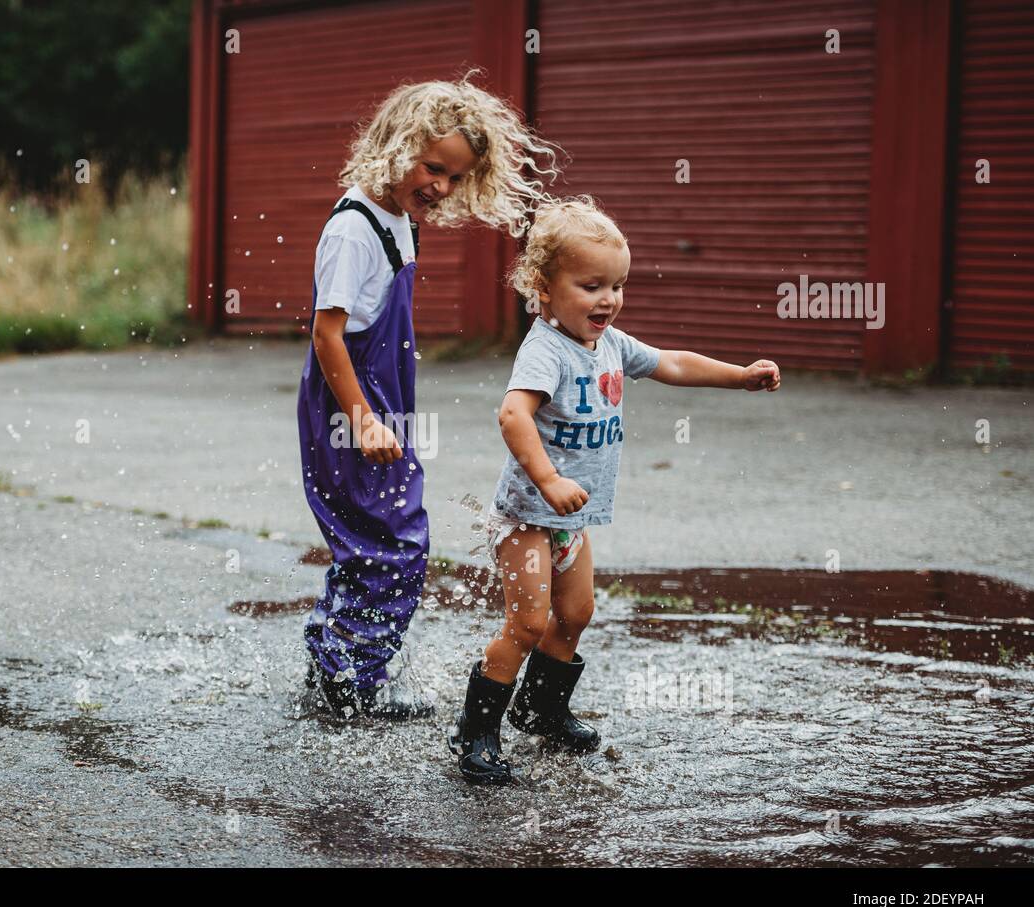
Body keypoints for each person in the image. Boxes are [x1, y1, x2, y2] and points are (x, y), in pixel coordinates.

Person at [450, 195, 782, 780]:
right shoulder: (544, 350)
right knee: (526, 625)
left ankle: (541, 710)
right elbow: (511, 416)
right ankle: (476, 736)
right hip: (527, 515)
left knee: (576, 614)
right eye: (591, 285)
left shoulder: (609, 344)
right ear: (544, 287)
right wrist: (548, 479)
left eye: (617, 285)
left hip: (573, 521)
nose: (608, 299)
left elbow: (672, 363)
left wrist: (740, 378)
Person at [298, 73, 561, 721]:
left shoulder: (399, 220)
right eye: (433, 167)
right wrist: (361, 421)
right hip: (350, 415)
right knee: (395, 544)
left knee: (374, 541)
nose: (440, 186)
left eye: (454, 177)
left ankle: (337, 666)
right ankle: (350, 680)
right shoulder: (356, 230)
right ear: (397, 142)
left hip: (381, 410)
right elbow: (326, 335)